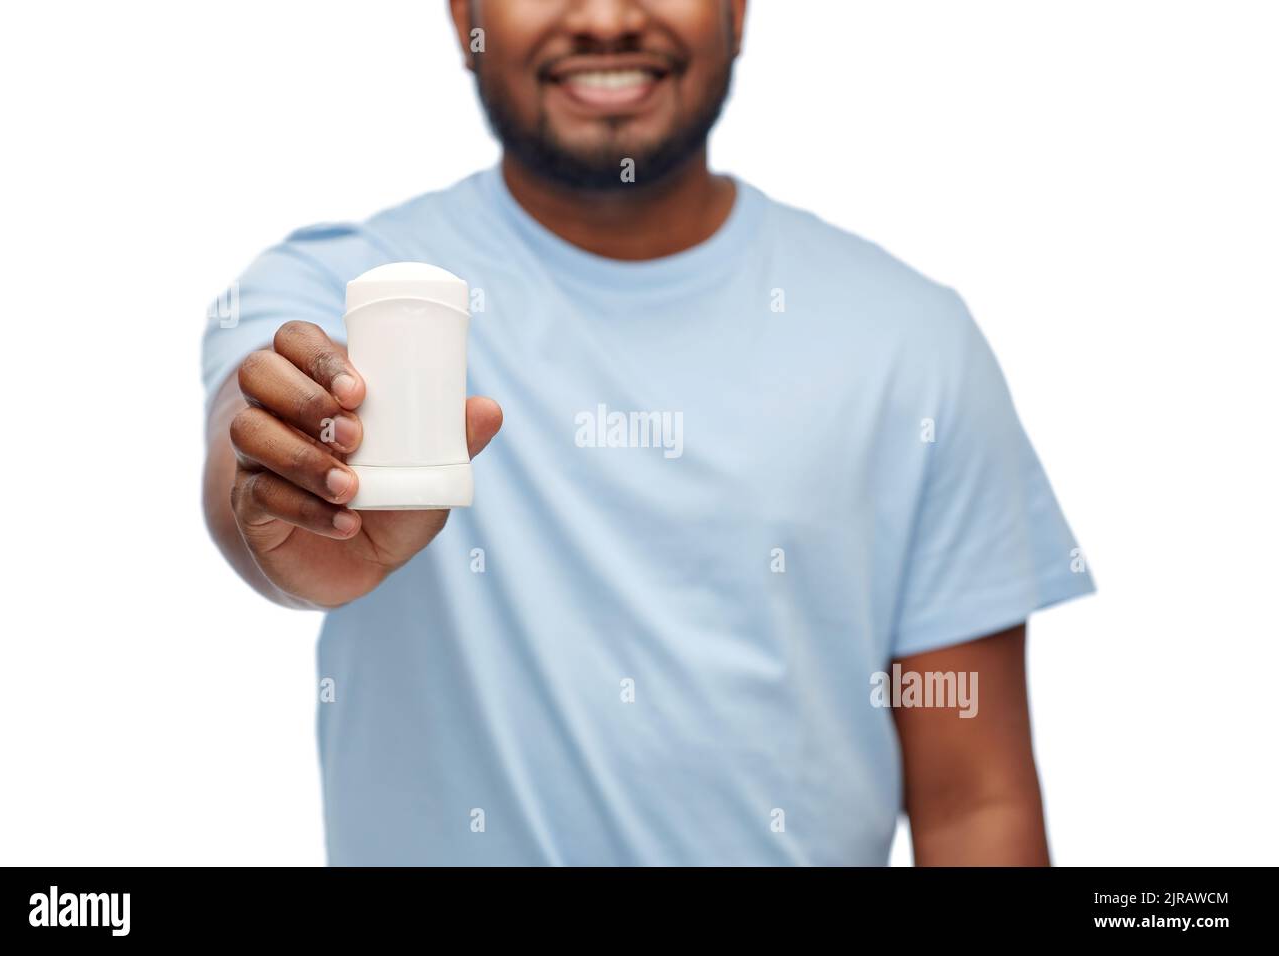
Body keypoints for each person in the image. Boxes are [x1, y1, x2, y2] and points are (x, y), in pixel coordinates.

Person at [201, 0, 1093, 865]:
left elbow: (978, 806)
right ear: (460, 14)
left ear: (738, 10)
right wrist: (282, 522)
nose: (604, 18)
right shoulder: (348, 292)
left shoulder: (913, 342)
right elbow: (243, 450)